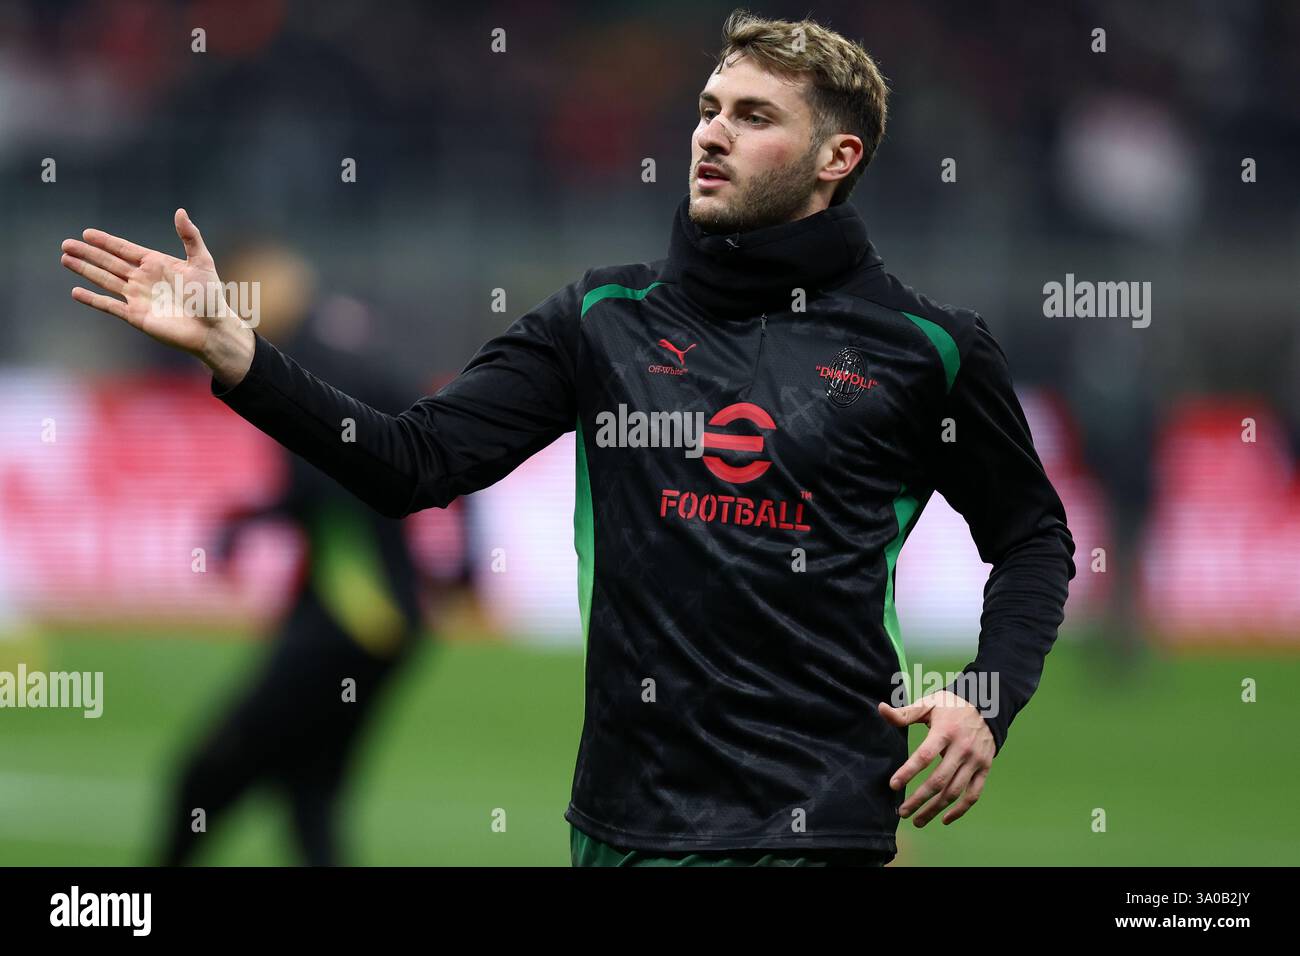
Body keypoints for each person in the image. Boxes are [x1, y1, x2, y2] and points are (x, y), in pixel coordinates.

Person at [61, 10, 1074, 867]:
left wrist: (986, 695)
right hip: (621, 824)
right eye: (708, 109)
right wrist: (242, 359)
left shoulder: (927, 349)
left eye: (754, 116)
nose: (711, 135)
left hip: (821, 820)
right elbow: (414, 461)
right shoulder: (604, 318)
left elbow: (1032, 535)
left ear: (835, 158)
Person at [158, 242, 428, 866]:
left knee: (207, 774)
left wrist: (246, 523)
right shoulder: (351, 344)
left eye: (245, 286)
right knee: (309, 794)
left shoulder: (310, 358)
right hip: (380, 612)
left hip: (348, 614)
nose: (238, 305)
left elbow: (319, 487)